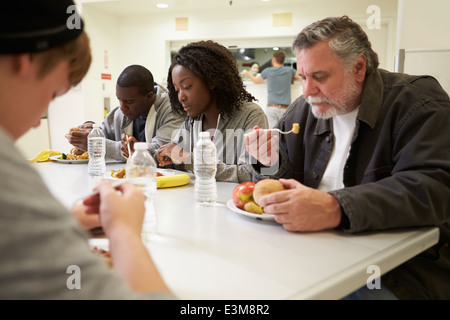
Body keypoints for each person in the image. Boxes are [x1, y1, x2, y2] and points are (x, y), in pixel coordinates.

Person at [245, 16, 450, 299]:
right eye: (303, 77)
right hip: (311, 255)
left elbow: (432, 189)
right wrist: (268, 162)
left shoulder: (417, 103)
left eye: (319, 77)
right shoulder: (302, 111)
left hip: (397, 270)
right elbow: (279, 185)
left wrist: (335, 207)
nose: (307, 91)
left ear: (359, 67)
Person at [0, 0, 173, 299]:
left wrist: (60, 226)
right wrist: (124, 230)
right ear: (24, 62)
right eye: (53, 94)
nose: (34, 122)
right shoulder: (8, 178)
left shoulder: (169, 109)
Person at [157, 40, 268, 183]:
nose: (181, 97)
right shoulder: (193, 120)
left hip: (231, 203)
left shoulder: (251, 115)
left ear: (211, 81)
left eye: (187, 86)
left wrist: (188, 159)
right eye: (177, 89)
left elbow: (251, 174)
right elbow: (176, 157)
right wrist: (167, 157)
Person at [67, 65, 183, 161]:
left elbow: (158, 154)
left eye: (129, 101)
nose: (122, 107)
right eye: (119, 99)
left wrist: (98, 145)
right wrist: (89, 130)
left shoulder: (173, 111)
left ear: (148, 96)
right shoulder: (120, 113)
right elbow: (104, 133)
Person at [243, 50, 302, 128]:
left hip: (272, 107)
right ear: (283, 60)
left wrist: (248, 74)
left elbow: (256, 81)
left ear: (273, 59)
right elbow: (301, 77)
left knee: (272, 134)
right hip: (285, 108)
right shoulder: (289, 71)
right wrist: (292, 78)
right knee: (285, 134)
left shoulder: (268, 71)